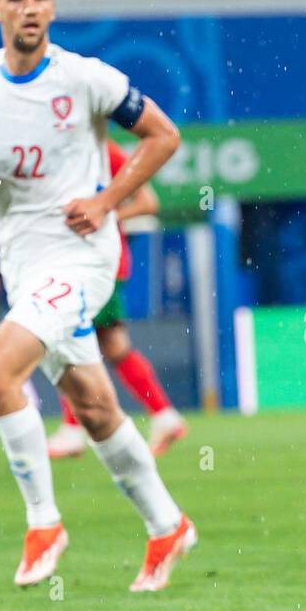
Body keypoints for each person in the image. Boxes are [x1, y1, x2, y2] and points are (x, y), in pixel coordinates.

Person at [0, 0, 194, 591]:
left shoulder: (86, 77)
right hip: (23, 263)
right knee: (95, 407)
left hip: (83, 258)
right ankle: (168, 526)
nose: (30, 8)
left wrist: (105, 201)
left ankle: (44, 521)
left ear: (52, 6)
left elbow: (164, 136)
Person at [46, 139, 187, 459]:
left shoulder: (103, 151)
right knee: (111, 346)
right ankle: (163, 414)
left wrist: (104, 211)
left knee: (67, 339)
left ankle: (73, 429)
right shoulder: (60, 150)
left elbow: (148, 202)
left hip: (96, 264)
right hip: (83, 263)